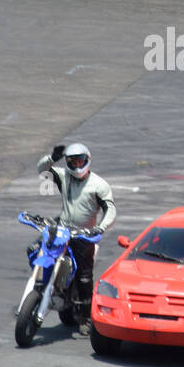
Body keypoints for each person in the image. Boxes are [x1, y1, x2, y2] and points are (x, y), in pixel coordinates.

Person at [36, 142, 116, 335]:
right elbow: (42, 170)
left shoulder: (99, 185)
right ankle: (41, 289)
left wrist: (99, 228)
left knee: (84, 277)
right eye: (73, 162)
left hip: (84, 235)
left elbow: (110, 209)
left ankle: (86, 317)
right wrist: (52, 158)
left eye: (81, 161)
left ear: (88, 160)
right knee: (36, 250)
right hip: (63, 230)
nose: (77, 166)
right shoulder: (64, 177)